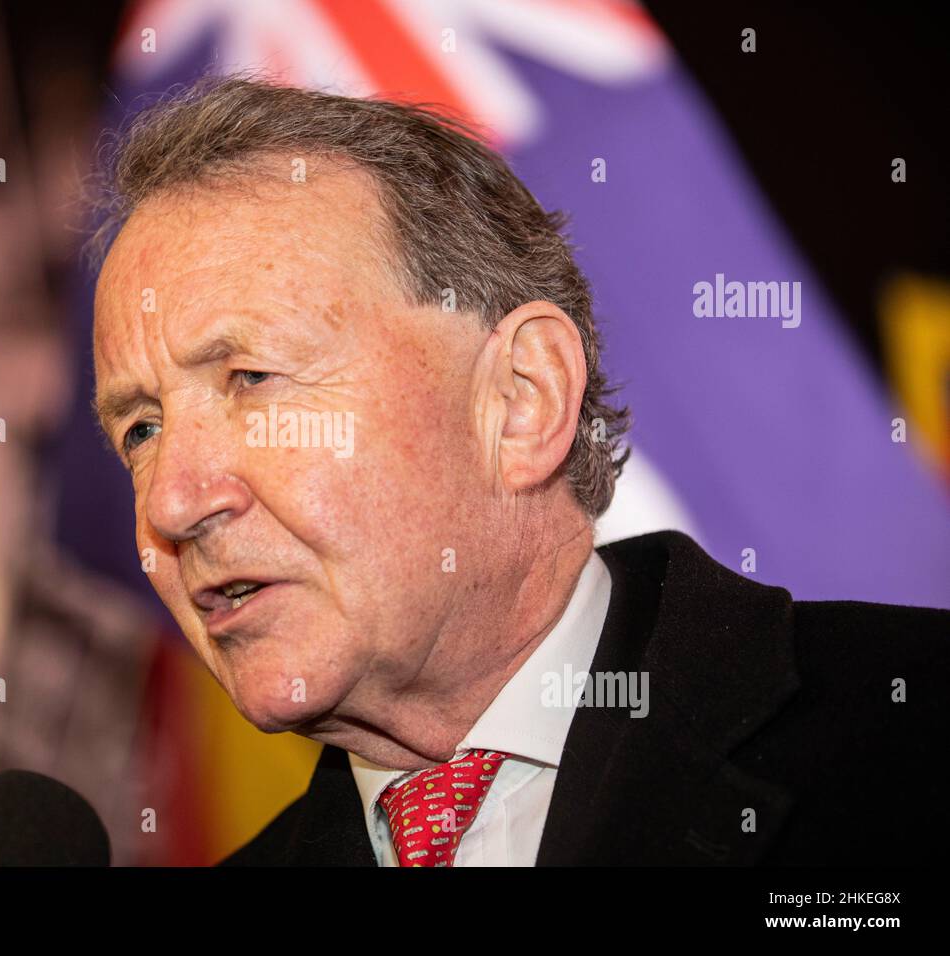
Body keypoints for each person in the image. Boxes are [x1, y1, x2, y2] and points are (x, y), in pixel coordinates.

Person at [88, 77, 949, 866]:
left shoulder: (908, 737)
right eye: (141, 429)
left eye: (250, 379)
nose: (171, 500)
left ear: (523, 398)